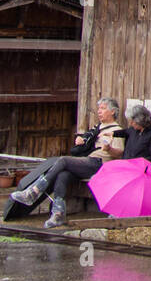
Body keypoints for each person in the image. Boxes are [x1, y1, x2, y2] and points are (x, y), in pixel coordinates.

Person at [8, 97, 125, 227]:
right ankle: (58, 214)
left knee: (63, 160)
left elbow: (120, 152)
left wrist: (109, 149)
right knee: (63, 174)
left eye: (103, 108)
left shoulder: (116, 130)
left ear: (113, 112)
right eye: (98, 108)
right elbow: (87, 144)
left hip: (100, 163)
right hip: (87, 161)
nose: (99, 111)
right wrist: (81, 141)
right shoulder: (97, 127)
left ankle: (35, 191)